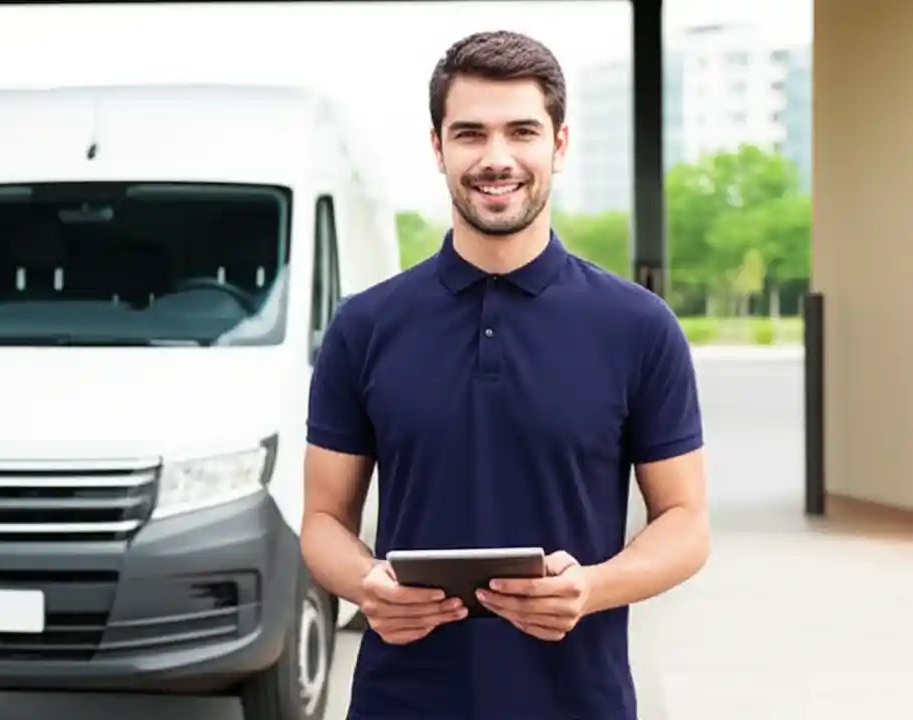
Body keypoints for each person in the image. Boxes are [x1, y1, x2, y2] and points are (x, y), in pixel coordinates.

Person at [300, 29, 710, 720]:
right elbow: (321, 520)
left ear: (559, 143)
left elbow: (686, 522)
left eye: (521, 131)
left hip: (580, 700)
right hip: (401, 701)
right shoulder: (364, 327)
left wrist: (594, 587)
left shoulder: (638, 326)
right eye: (470, 133)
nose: (496, 158)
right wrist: (368, 584)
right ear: (438, 147)